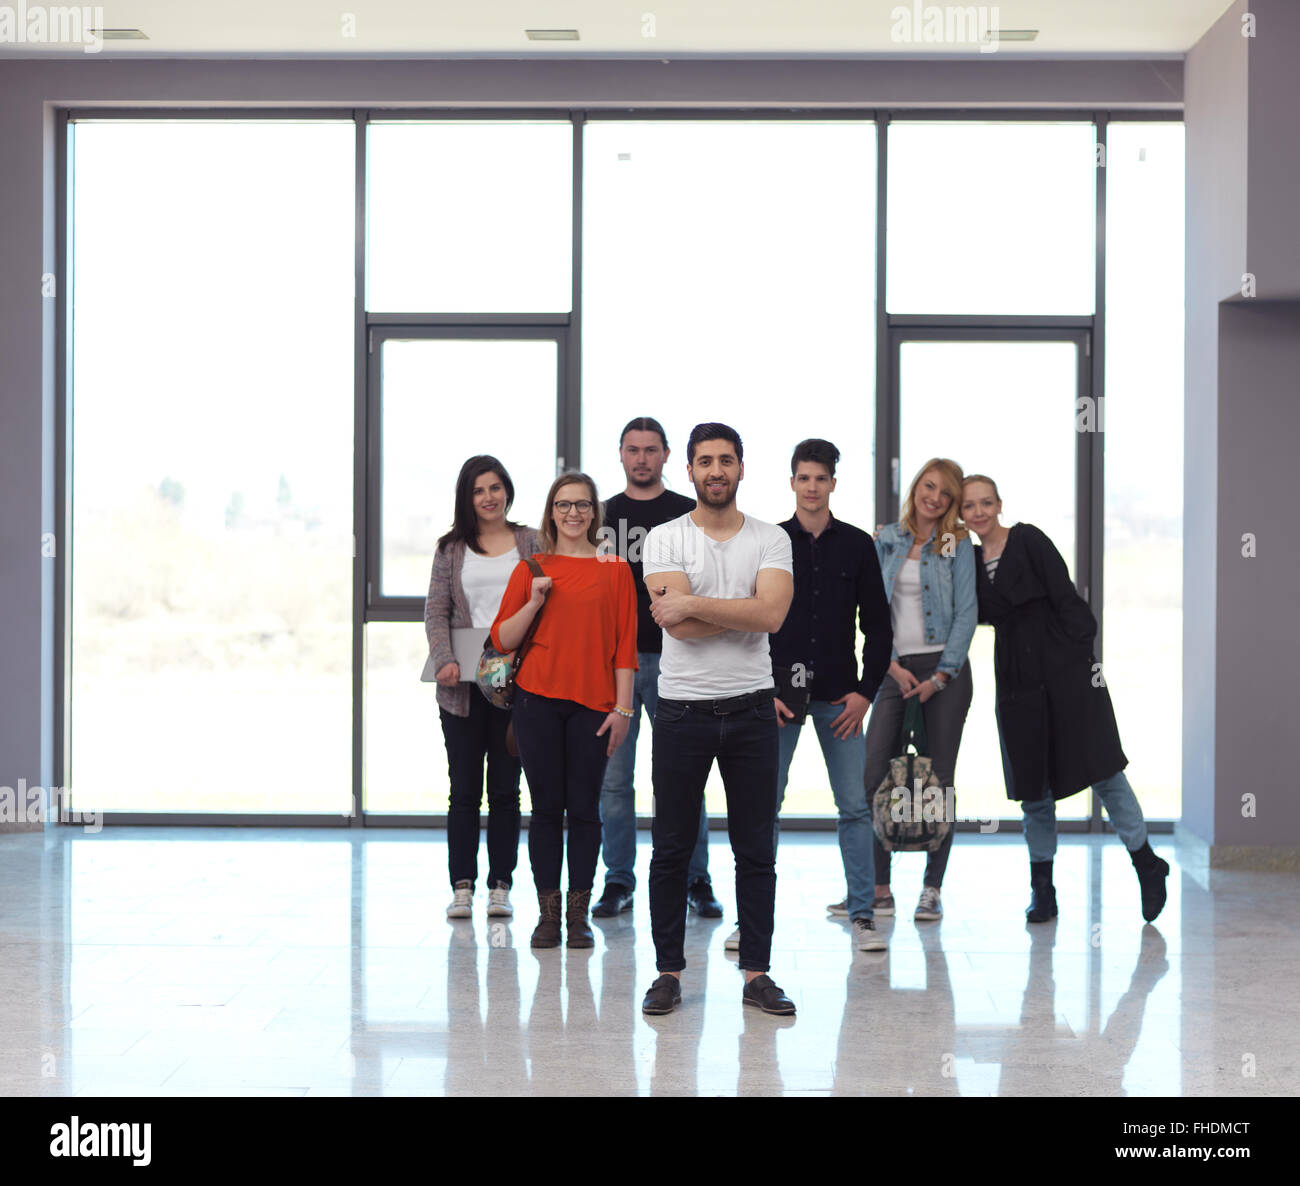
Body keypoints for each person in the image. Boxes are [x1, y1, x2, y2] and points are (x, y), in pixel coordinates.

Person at [960, 475, 1170, 922]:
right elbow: (964, 612)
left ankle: (1147, 865)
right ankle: (1043, 891)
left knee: (1104, 771)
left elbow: (1067, 597)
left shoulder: (1028, 538)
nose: (978, 512)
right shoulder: (969, 560)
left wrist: (1078, 659)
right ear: (960, 514)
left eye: (985, 502)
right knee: (1033, 789)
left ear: (999, 504)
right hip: (1016, 679)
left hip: (1066, 672)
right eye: (968, 506)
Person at [639, 423, 796, 1016]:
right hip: (680, 712)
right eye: (705, 461)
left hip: (753, 708)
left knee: (756, 848)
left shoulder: (769, 538)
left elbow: (774, 615)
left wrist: (697, 603)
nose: (716, 471)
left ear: (740, 468)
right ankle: (668, 973)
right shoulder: (664, 538)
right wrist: (745, 611)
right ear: (690, 471)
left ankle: (757, 974)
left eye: (726, 461)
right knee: (672, 848)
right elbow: (673, 626)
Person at [491, 472, 638, 949]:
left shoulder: (614, 569)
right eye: (563, 504)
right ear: (551, 512)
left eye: (581, 505)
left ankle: (579, 914)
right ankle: (548, 914)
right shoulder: (530, 569)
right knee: (547, 810)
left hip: (594, 707)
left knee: (587, 810)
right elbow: (502, 640)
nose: (572, 513)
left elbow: (625, 648)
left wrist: (623, 709)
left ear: (595, 512)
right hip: (537, 702)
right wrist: (534, 602)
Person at [592, 417, 722, 920]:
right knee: (614, 782)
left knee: (684, 779)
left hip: (680, 661)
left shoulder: (688, 515)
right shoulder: (602, 516)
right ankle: (618, 880)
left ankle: (697, 879)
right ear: (620, 455)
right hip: (616, 666)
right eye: (633, 450)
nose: (641, 458)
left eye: (650, 450)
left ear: (668, 455)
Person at [769, 439, 893, 951]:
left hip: (842, 700)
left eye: (821, 478)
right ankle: (752, 920)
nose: (812, 487)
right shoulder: (771, 542)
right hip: (779, 700)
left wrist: (865, 693)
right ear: (792, 482)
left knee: (854, 807)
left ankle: (862, 914)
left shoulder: (858, 545)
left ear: (833, 484)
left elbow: (879, 628)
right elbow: (754, 626)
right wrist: (764, 690)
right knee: (763, 807)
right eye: (804, 478)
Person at [425, 456, 541, 920]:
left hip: (517, 681)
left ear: (507, 491)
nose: (489, 497)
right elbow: (435, 610)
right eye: (478, 491)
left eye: (495, 488)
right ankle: (462, 885)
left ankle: (501, 884)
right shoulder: (450, 548)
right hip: (464, 685)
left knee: (507, 790)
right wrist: (445, 660)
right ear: (466, 498)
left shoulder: (531, 540)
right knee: (464, 789)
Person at [865, 458, 977, 923]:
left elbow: (966, 612)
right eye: (929, 487)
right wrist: (889, 665)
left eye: (945, 493)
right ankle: (879, 888)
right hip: (895, 670)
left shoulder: (956, 541)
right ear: (916, 487)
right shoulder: (886, 538)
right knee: (874, 775)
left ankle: (932, 888)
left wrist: (940, 677)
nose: (935, 497)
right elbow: (871, 612)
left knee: (939, 782)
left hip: (944, 674)